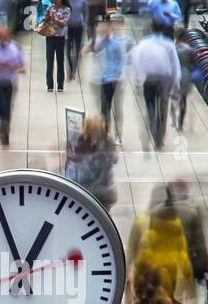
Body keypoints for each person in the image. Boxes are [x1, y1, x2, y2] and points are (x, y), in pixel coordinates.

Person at [129, 22, 180, 150]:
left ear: (151, 28)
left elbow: (137, 60)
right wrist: (175, 83)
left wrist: (137, 78)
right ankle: (159, 139)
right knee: (163, 109)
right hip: (165, 80)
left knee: (150, 108)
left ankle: (152, 131)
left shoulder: (144, 43)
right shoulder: (168, 44)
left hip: (149, 80)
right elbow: (175, 65)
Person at [64, 114, 118, 210]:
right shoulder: (83, 141)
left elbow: (114, 159)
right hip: (97, 190)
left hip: (95, 190)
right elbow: (114, 159)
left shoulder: (106, 141)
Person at [85, 17, 125, 140]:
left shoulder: (116, 43)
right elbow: (91, 50)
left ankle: (116, 135)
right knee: (104, 108)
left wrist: (116, 77)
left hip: (114, 80)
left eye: (105, 25)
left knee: (115, 108)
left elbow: (121, 61)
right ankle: (105, 133)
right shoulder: (101, 42)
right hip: (103, 79)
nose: (102, 27)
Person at [42, 0, 70, 92]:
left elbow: (64, 24)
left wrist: (55, 19)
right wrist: (47, 18)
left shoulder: (66, 9)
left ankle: (60, 85)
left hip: (60, 37)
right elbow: (43, 20)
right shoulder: (50, 8)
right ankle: (49, 85)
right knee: (49, 61)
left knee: (60, 61)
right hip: (50, 36)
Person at [66, 0, 86, 80]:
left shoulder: (82, 2)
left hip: (78, 27)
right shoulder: (66, 1)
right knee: (67, 51)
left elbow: (86, 14)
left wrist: (84, 23)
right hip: (68, 28)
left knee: (77, 50)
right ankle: (70, 69)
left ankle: (74, 71)